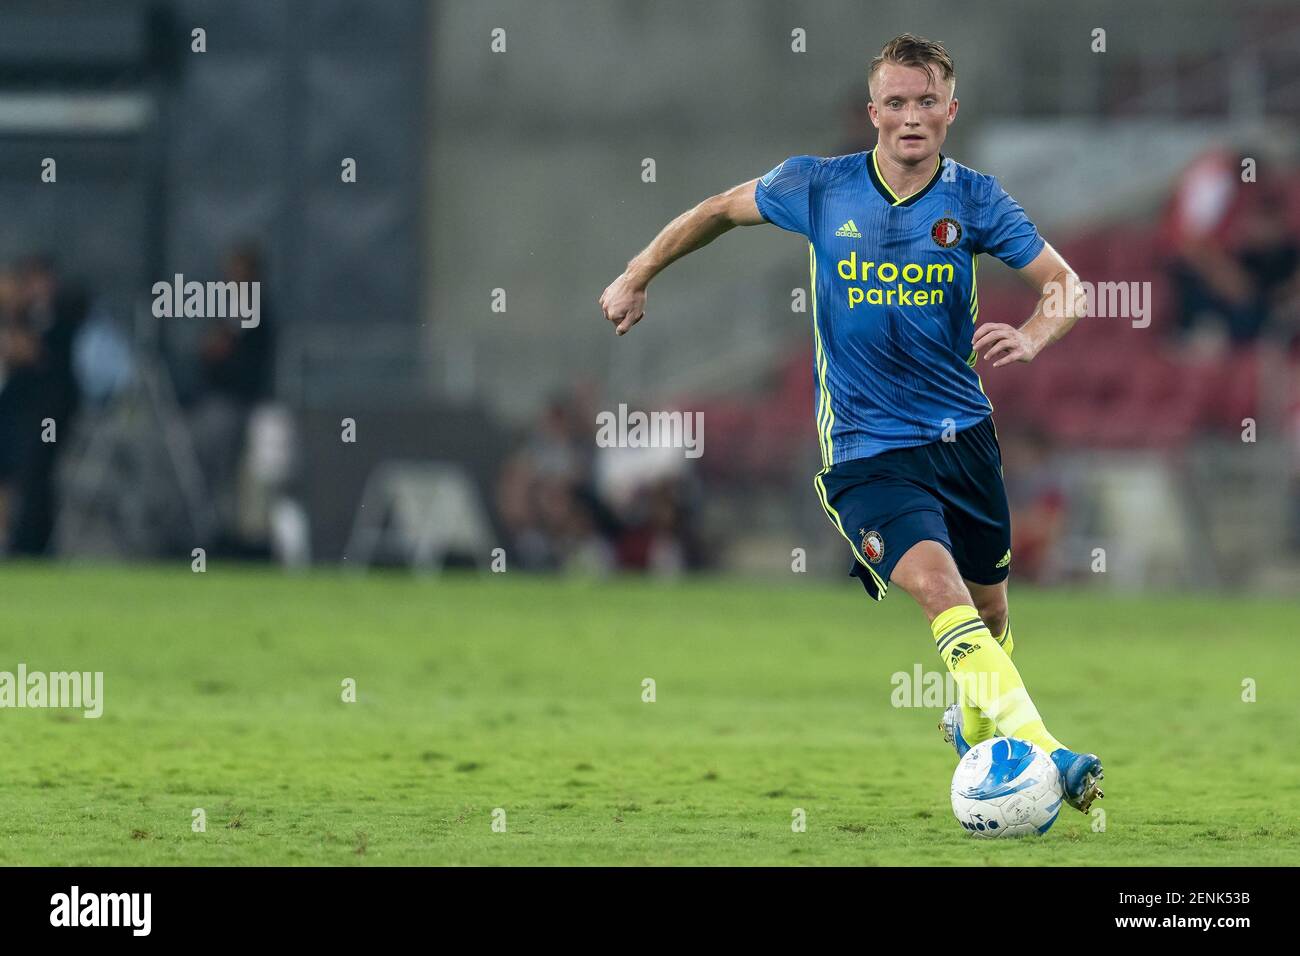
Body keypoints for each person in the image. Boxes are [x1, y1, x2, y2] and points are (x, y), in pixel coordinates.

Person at [598, 34, 1104, 813]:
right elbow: (716, 212)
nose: (910, 117)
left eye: (925, 101)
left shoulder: (974, 200)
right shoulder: (817, 186)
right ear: (872, 112)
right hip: (866, 453)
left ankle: (972, 728)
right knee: (941, 594)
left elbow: (1066, 287)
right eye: (895, 103)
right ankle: (1049, 751)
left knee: (991, 611)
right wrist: (638, 273)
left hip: (963, 440)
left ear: (950, 111)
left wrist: (1033, 336)